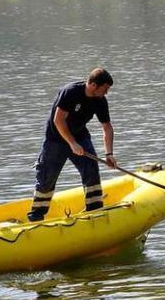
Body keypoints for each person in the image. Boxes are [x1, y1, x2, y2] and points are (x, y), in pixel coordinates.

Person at [28, 67, 117, 222]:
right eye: (105, 89)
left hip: (80, 136)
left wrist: (109, 154)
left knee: (91, 169)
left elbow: (107, 127)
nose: (106, 93)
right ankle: (36, 216)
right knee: (47, 178)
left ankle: (94, 209)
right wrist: (72, 144)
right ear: (93, 85)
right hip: (56, 139)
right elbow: (58, 120)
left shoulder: (100, 101)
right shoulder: (71, 92)